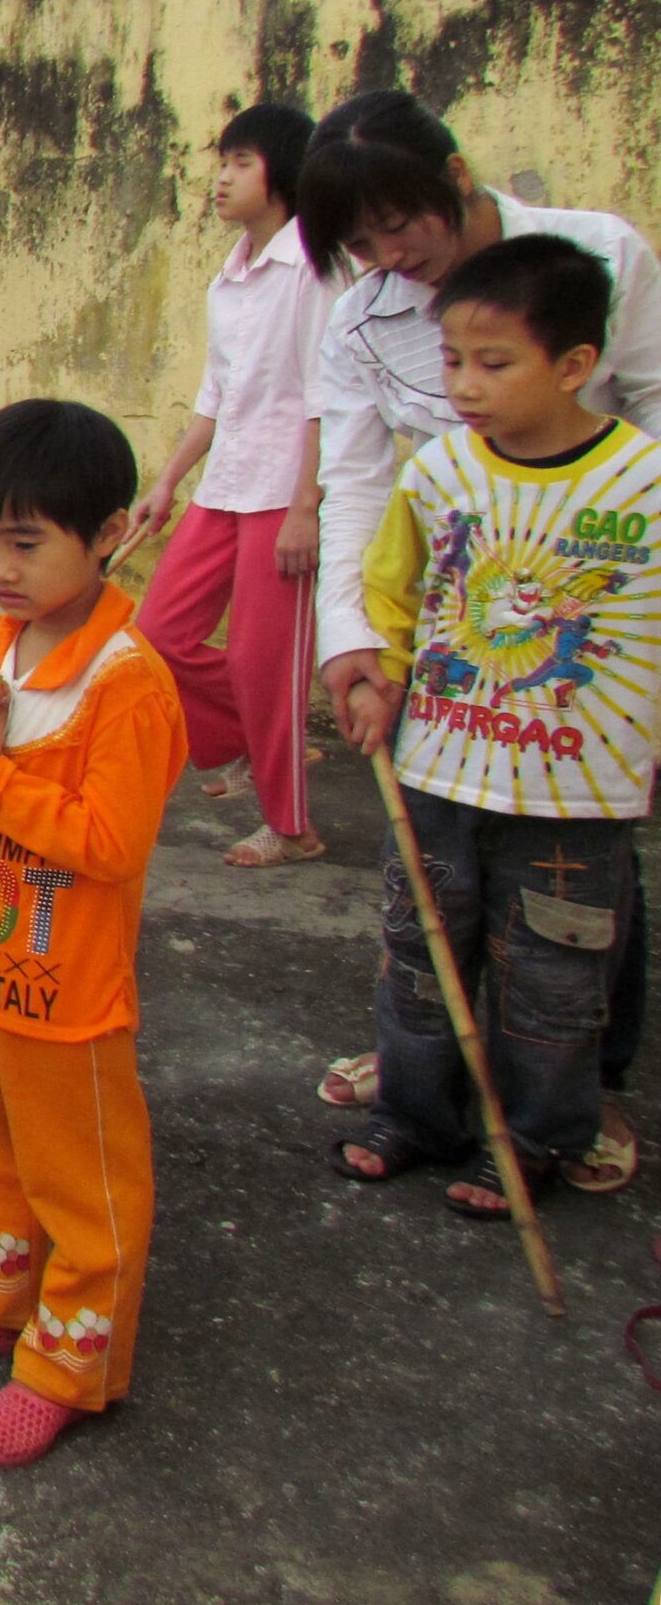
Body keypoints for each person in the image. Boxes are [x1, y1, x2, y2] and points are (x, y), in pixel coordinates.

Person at [302, 89, 657, 1194]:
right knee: (427, 923)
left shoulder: (600, 259)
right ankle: (427, 1094)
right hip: (450, 715)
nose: (386, 259)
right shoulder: (386, 361)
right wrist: (357, 647)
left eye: (396, 225)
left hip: (580, 715)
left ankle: (557, 1111)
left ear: (454, 177)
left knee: (563, 940)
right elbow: (366, 494)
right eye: (360, 244)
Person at [0, 400, 187, 1470]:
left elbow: (108, 842)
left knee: (84, 1186)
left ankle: (65, 1366)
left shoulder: (126, 683)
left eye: (25, 543)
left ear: (106, 534)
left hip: (70, 997)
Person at [125, 104, 331, 868]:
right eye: (222, 162)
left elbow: (326, 398)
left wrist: (307, 507)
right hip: (225, 484)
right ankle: (252, 737)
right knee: (158, 636)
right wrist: (168, 483)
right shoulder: (231, 275)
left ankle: (291, 825)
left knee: (261, 661)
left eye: (242, 163)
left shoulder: (314, 270)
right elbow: (216, 396)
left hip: (284, 490)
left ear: (282, 173)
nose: (222, 178)